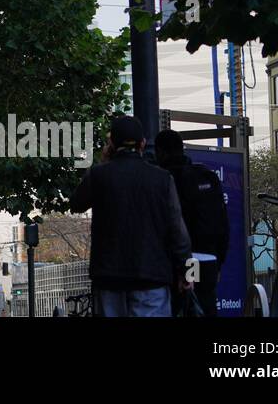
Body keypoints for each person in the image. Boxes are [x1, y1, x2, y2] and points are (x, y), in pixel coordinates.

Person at [68, 115, 192, 317]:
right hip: (152, 278)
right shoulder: (162, 179)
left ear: (111, 144)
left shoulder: (98, 175)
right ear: (143, 143)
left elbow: (76, 204)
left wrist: (104, 162)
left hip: (109, 279)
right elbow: (179, 233)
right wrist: (188, 274)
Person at [155, 128, 229, 318]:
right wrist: (219, 260)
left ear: (161, 152)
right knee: (205, 307)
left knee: (183, 308)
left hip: (185, 261)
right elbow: (223, 223)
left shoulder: (165, 179)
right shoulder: (207, 176)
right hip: (210, 260)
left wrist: (183, 268)